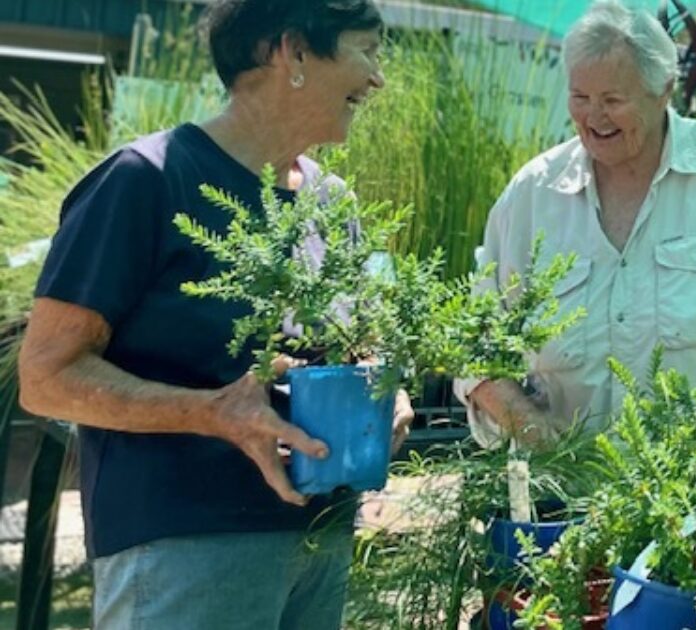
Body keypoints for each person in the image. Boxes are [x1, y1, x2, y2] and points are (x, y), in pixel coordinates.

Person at [16, 1, 407, 628]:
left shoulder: (333, 204)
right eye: (367, 49)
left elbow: (355, 347)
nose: (377, 78)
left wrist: (387, 393)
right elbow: (46, 378)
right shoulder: (146, 180)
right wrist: (212, 413)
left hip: (322, 538)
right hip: (185, 546)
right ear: (293, 52)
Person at [455, 0, 696, 448]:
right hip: (564, 493)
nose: (593, 117)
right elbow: (477, 347)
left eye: (612, 100)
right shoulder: (533, 193)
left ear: (663, 90)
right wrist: (544, 445)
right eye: (580, 98)